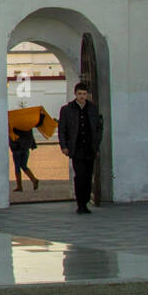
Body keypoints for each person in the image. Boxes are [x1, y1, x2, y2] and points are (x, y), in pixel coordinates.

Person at [58, 83, 103, 213]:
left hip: (89, 148)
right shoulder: (67, 109)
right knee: (80, 176)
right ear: (75, 94)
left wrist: (96, 143)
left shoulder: (93, 108)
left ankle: (86, 201)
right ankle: (80, 204)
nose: (82, 96)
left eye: (84, 94)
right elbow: (62, 129)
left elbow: (99, 127)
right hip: (77, 148)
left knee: (88, 176)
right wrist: (64, 146)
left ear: (87, 94)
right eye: (80, 94)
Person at [10, 125, 40, 192]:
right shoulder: (27, 123)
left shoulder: (15, 123)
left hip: (17, 147)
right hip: (25, 147)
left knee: (17, 167)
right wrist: (32, 144)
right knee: (23, 165)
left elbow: (10, 132)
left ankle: (19, 186)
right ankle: (34, 179)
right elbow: (30, 135)